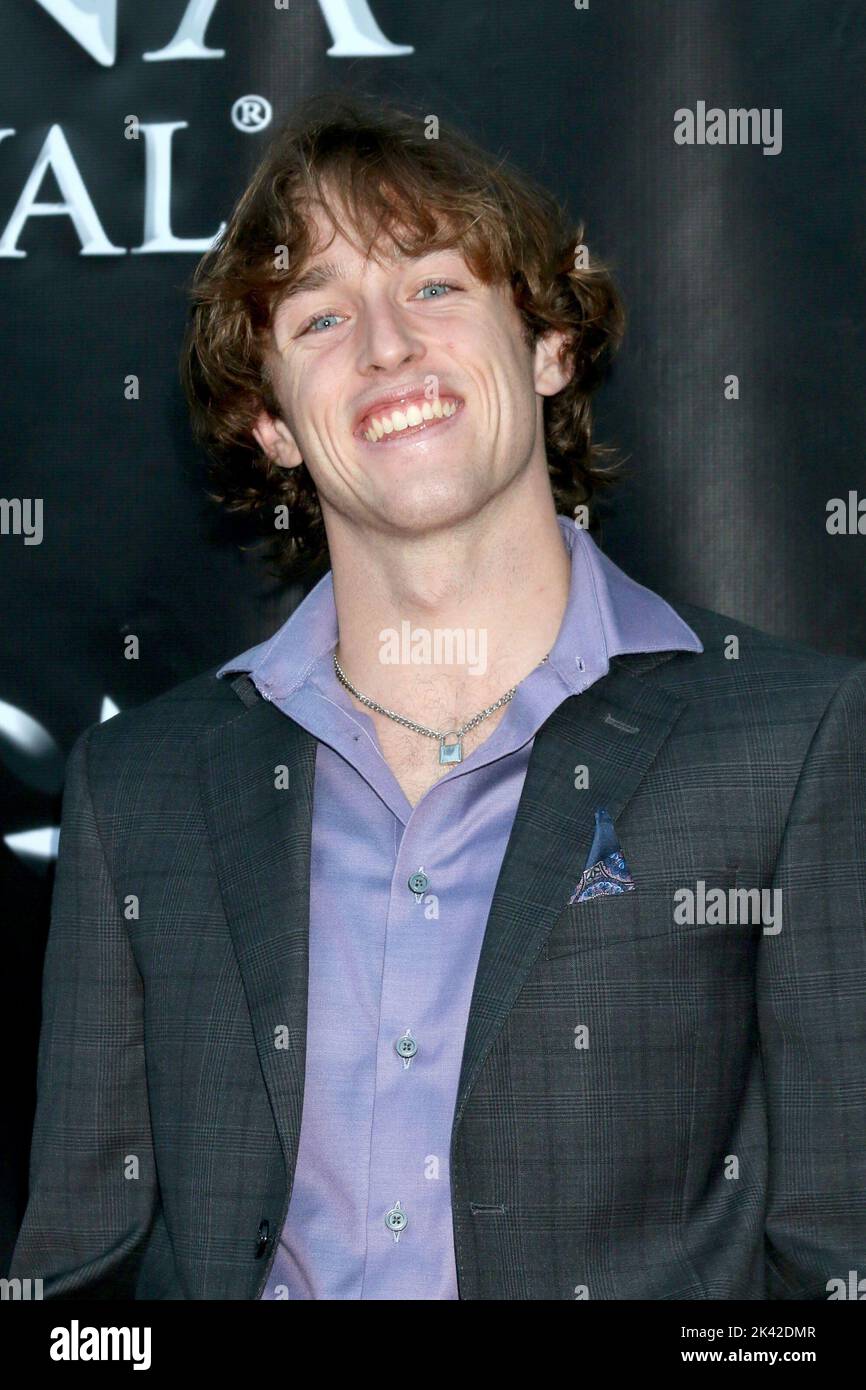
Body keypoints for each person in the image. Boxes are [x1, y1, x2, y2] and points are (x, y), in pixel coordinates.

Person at [11, 93, 866, 1300]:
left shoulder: (793, 745)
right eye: (317, 316)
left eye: (433, 287)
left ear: (549, 345)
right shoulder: (141, 791)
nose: (384, 346)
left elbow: (838, 1266)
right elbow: (76, 1295)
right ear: (270, 427)